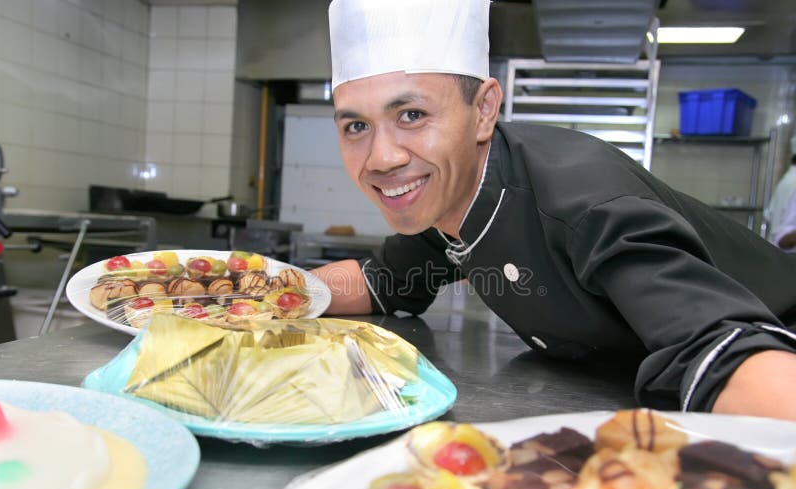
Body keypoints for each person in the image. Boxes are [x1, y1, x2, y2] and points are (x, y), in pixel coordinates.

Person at [311, 0, 796, 420]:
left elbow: (726, 353)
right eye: (355, 126)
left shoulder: (586, 202)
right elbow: (381, 281)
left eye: (411, 115)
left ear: (483, 110)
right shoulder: (447, 202)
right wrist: (267, 291)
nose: (381, 158)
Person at [764, 134, 796, 249]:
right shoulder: (793, 182)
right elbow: (782, 237)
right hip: (785, 258)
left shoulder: (786, 181)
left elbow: (768, 215)